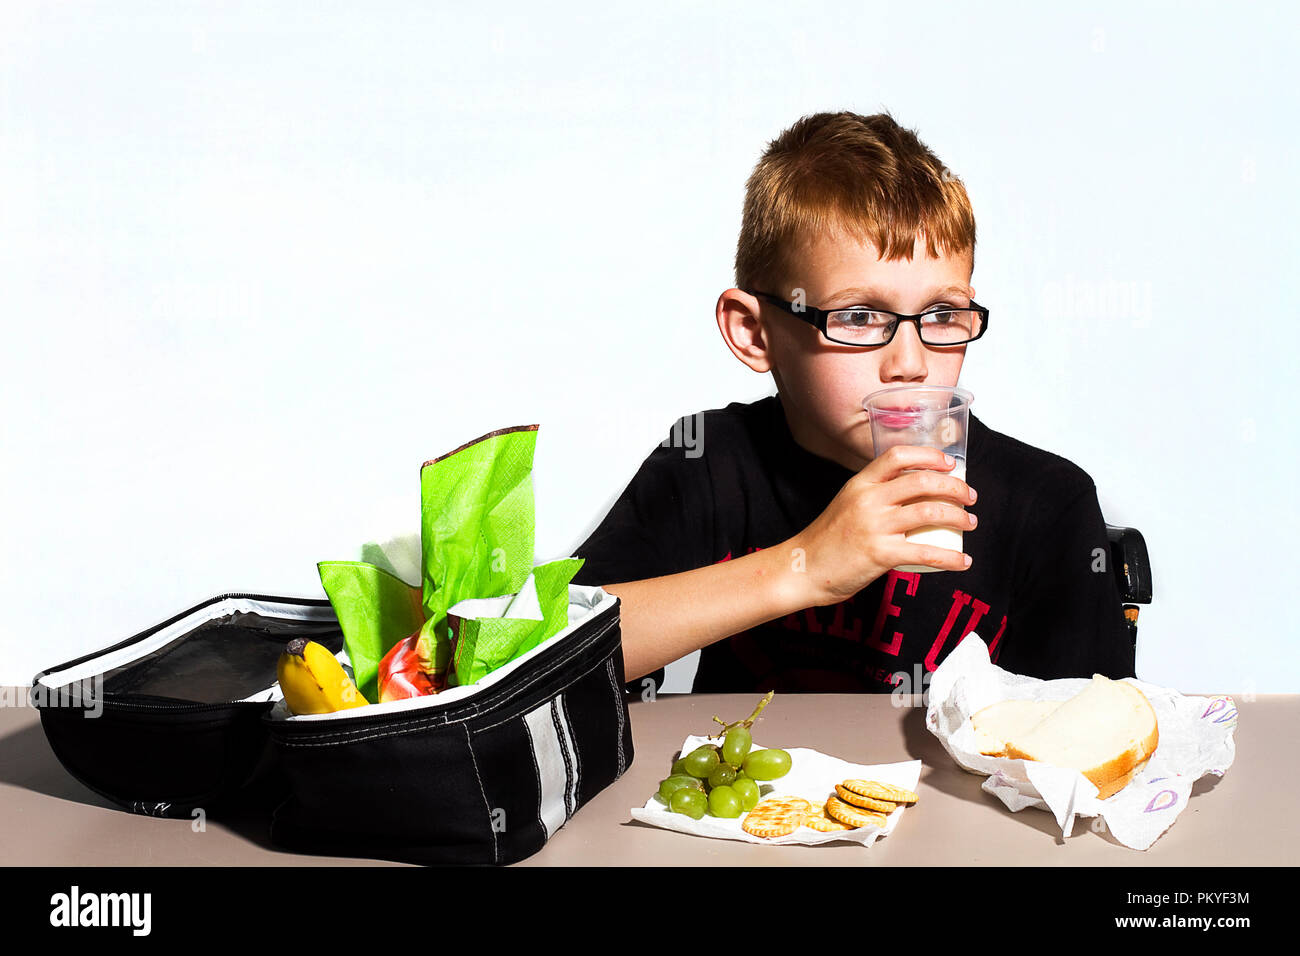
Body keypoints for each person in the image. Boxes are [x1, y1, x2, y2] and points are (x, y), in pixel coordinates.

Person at [569, 110, 1135, 696]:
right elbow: (531, 665)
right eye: (860, 316)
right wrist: (804, 566)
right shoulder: (708, 461)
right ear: (755, 332)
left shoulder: (1046, 501)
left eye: (942, 314)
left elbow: (1099, 736)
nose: (911, 362)